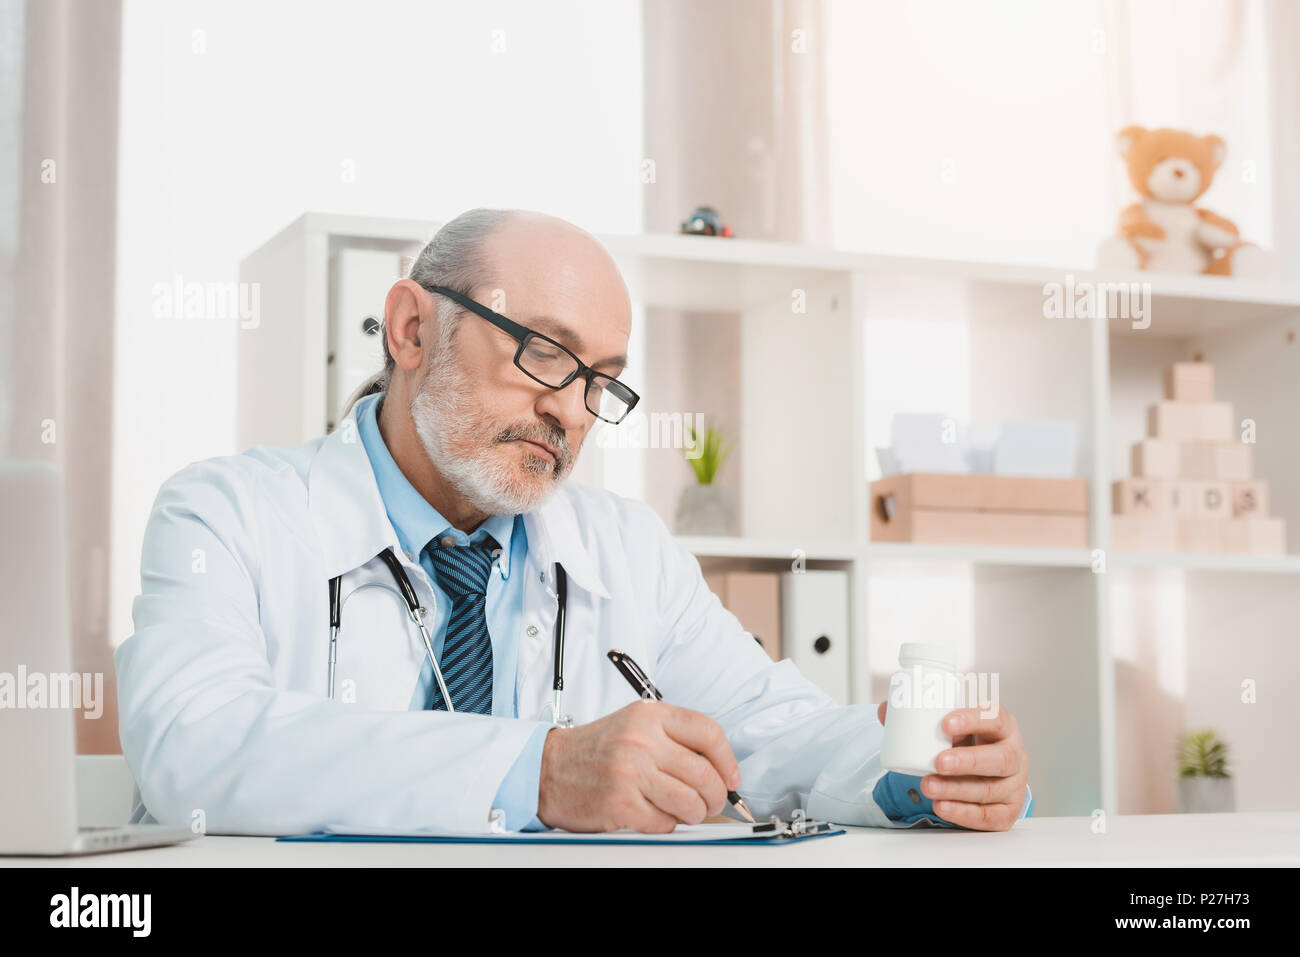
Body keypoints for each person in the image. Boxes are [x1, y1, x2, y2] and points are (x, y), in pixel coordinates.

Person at [115, 208, 1030, 835]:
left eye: (601, 379)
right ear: (410, 329)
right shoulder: (225, 513)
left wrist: (918, 766)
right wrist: (539, 771)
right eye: (545, 353)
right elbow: (191, 746)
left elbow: (772, 730)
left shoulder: (626, 549)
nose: (574, 410)